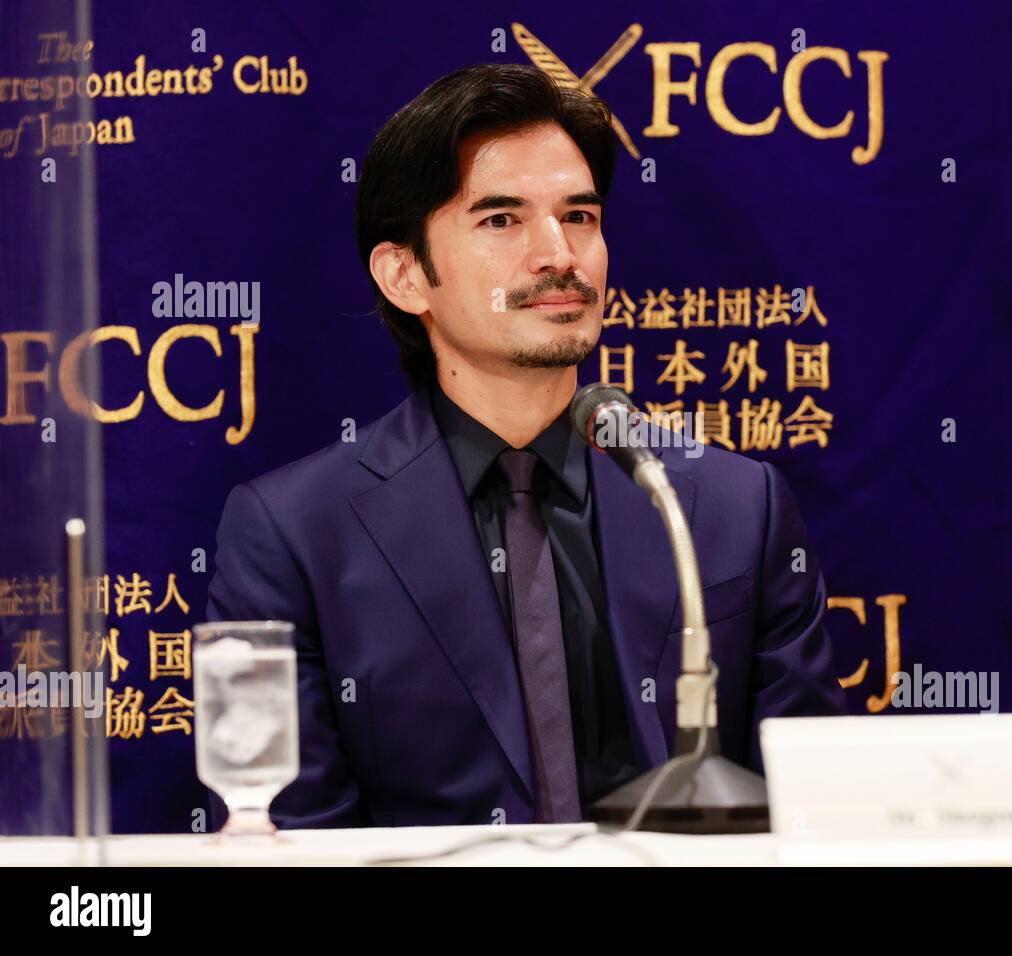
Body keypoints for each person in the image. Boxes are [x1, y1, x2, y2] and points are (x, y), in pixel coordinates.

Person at [206, 63, 846, 828]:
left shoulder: (731, 509)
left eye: (579, 216)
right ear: (405, 275)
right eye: (501, 220)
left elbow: (814, 814)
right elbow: (288, 837)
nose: (558, 255)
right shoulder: (296, 535)